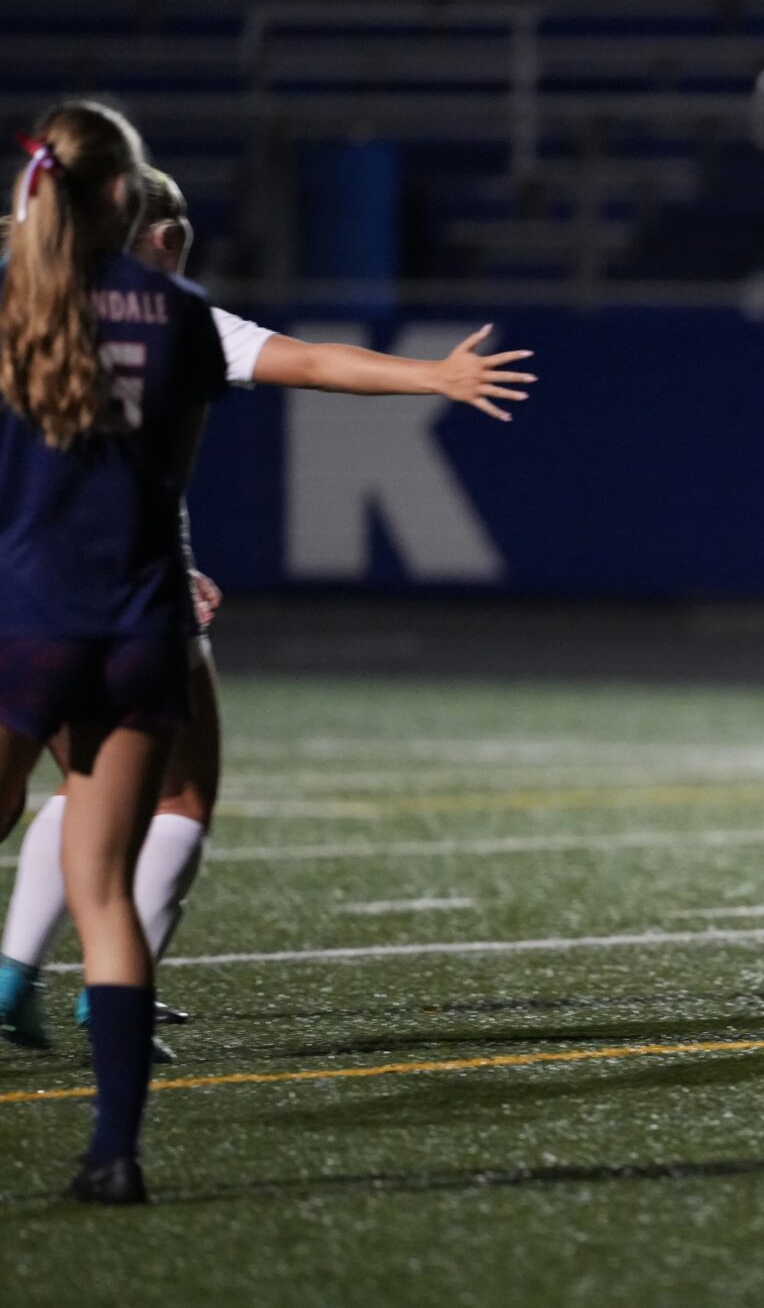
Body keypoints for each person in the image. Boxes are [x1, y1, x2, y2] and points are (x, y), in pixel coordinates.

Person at [0, 164, 539, 1057]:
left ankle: (20, 979)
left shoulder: (31, 308)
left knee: (36, 786)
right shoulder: (175, 319)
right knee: (175, 795)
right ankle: (96, 997)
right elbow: (319, 361)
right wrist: (433, 378)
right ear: (164, 241)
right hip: (126, 596)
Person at [0, 103, 226, 1203]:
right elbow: (166, 489)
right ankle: (114, 1153)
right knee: (105, 897)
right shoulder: (179, 312)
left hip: (20, 617)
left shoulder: (9, 294)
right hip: (138, 624)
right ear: (126, 195)